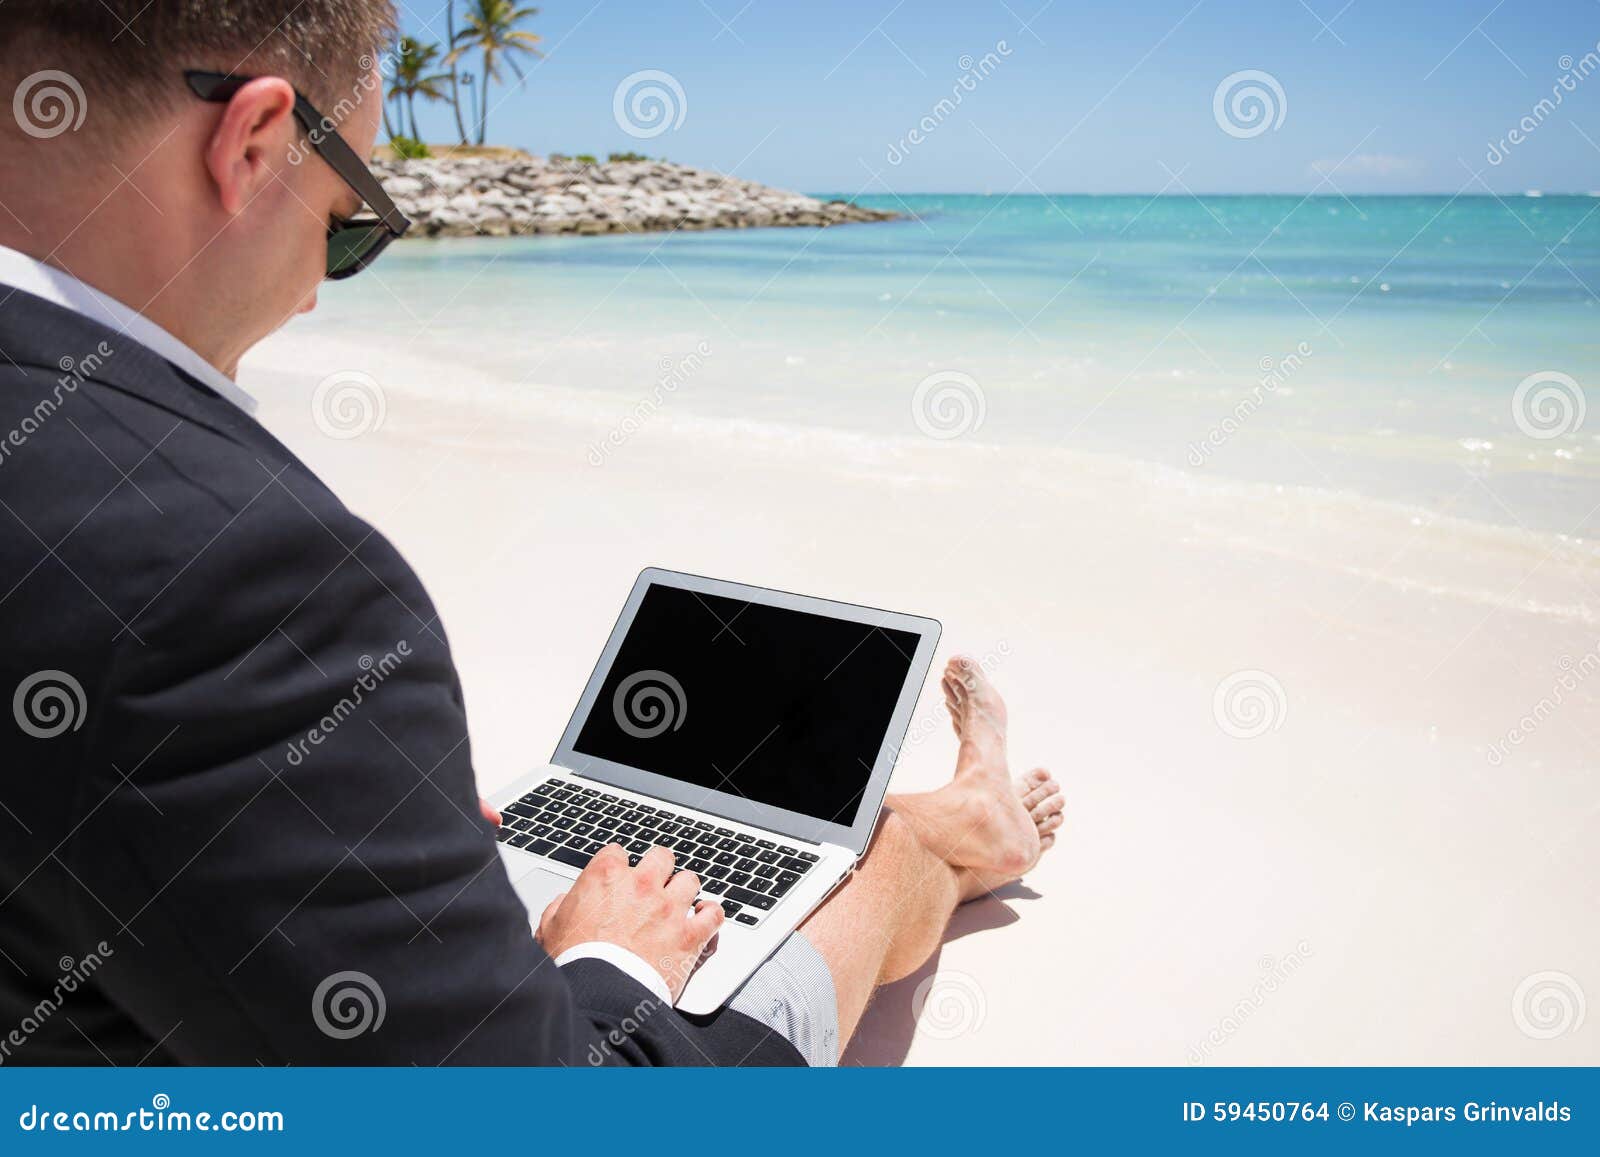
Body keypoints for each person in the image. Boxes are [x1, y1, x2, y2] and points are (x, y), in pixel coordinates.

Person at [0, 0, 1063, 1066]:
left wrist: (327, 801)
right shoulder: (240, 575)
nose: (320, 288)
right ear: (253, 146)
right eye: (348, 219)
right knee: (878, 848)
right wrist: (613, 959)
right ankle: (966, 826)